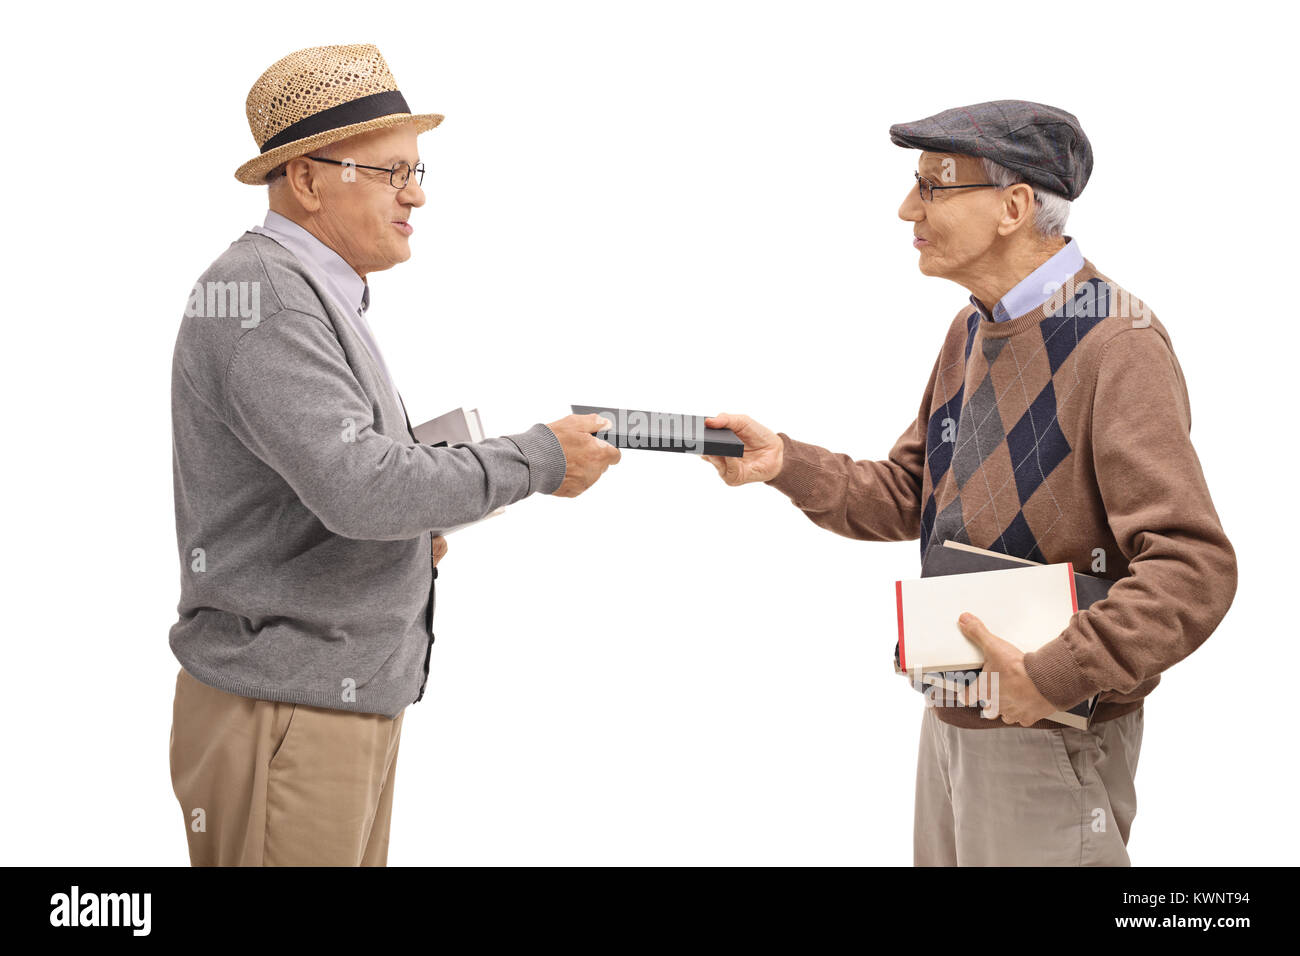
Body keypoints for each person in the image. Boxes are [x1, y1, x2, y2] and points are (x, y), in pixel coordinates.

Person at [702, 100, 1237, 866]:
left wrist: (1052, 677)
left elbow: (1195, 569)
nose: (905, 209)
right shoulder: (974, 327)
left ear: (1014, 207)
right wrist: (784, 461)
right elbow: (907, 493)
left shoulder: (1117, 342)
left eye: (933, 187)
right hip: (957, 717)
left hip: (1049, 738)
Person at [168, 44, 619, 866]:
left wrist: (418, 523)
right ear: (307, 180)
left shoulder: (307, 293)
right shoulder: (265, 298)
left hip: (322, 705)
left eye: (418, 170)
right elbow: (362, 491)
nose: (417, 195)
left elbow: (342, 490)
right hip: (288, 709)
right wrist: (538, 459)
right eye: (391, 172)